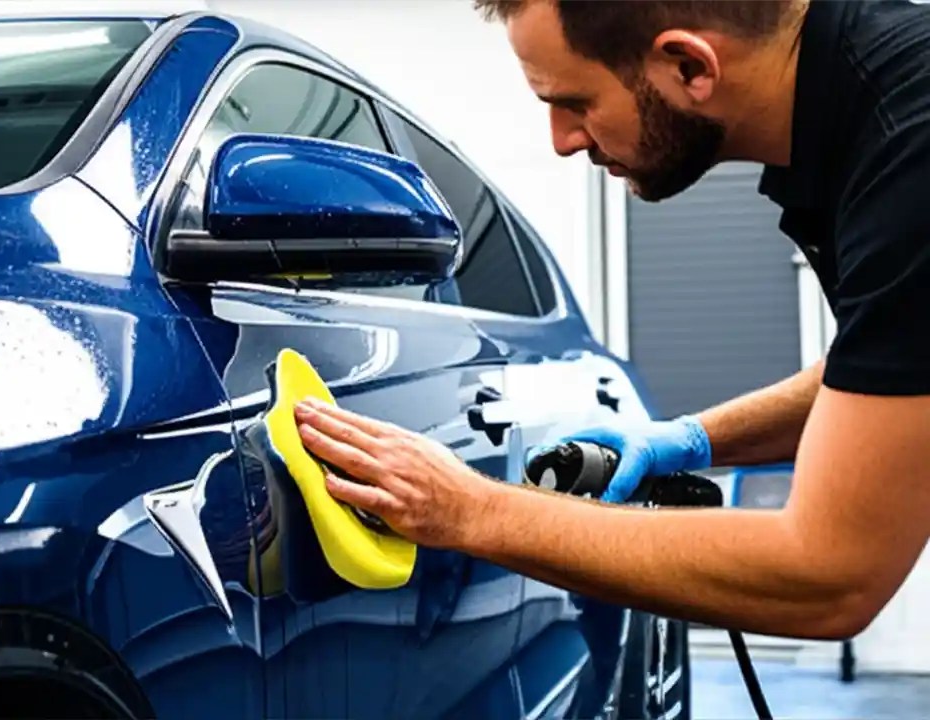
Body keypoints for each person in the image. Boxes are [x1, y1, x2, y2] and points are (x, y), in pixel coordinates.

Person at [293, 0, 930, 640]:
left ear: (689, 66)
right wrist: (691, 439)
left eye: (574, 102)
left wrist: (471, 511)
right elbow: (883, 372)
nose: (562, 140)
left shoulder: (910, 151)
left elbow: (827, 579)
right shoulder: (873, 93)